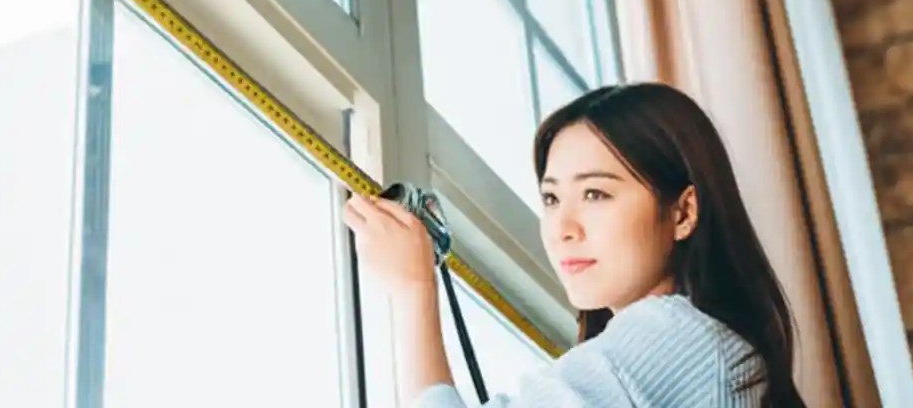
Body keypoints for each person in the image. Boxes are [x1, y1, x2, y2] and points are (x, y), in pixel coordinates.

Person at [343, 82, 807, 407]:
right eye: (550, 197)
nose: (563, 227)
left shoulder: (683, 339)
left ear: (682, 212)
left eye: (596, 194)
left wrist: (412, 293)